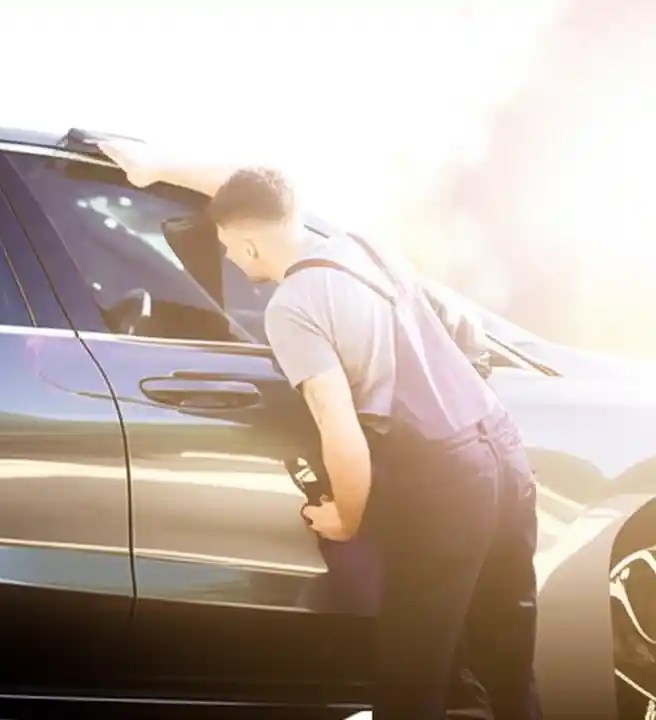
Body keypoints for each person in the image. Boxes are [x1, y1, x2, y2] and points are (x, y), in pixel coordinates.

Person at [96, 139, 540, 719]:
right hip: (505, 455)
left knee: (412, 676)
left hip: (446, 483)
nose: (229, 258)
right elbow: (256, 187)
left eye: (229, 246)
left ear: (250, 241)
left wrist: (343, 518)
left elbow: (342, 434)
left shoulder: (293, 308)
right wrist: (157, 168)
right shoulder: (360, 245)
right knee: (507, 662)